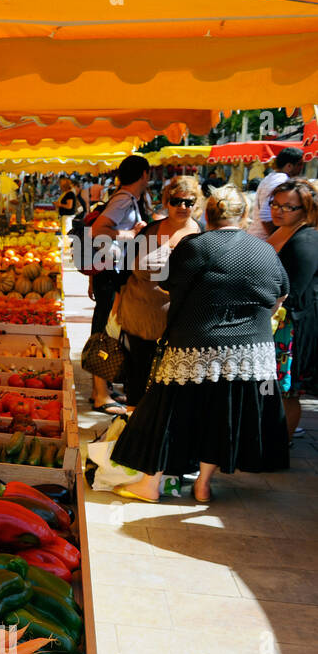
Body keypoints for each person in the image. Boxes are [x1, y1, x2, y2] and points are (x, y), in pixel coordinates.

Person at [109, 187, 290, 503]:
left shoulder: (195, 246)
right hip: (250, 351)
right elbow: (280, 296)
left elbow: (166, 284)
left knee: (167, 412)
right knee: (221, 415)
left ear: (207, 215)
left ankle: (150, 485)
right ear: (245, 216)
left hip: (196, 343)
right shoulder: (265, 250)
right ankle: (203, 485)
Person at [113, 177, 202, 409]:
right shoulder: (149, 231)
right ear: (166, 202)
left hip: (178, 323)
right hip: (138, 317)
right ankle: (132, 424)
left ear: (197, 203)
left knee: (170, 379)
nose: (182, 207)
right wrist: (116, 303)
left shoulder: (202, 236)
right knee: (136, 374)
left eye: (189, 202)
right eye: (176, 201)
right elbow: (123, 270)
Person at [87, 154, 150, 416]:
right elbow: (99, 229)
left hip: (109, 273)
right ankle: (100, 393)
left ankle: (104, 387)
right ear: (144, 174)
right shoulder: (124, 199)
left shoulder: (123, 198)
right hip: (111, 274)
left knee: (107, 329)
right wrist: (131, 234)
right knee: (105, 332)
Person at [267, 180, 318, 441]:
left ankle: (281, 443)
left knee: (287, 390)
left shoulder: (306, 238)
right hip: (274, 321)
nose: (279, 211)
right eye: (275, 204)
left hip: (290, 326)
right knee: (270, 388)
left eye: (288, 207)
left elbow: (294, 290)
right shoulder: (280, 231)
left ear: (306, 209)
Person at [254, 147, 305, 237]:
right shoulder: (281, 180)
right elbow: (265, 216)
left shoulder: (271, 177)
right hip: (264, 241)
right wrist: (277, 239)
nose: (301, 168)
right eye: (299, 164)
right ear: (289, 166)